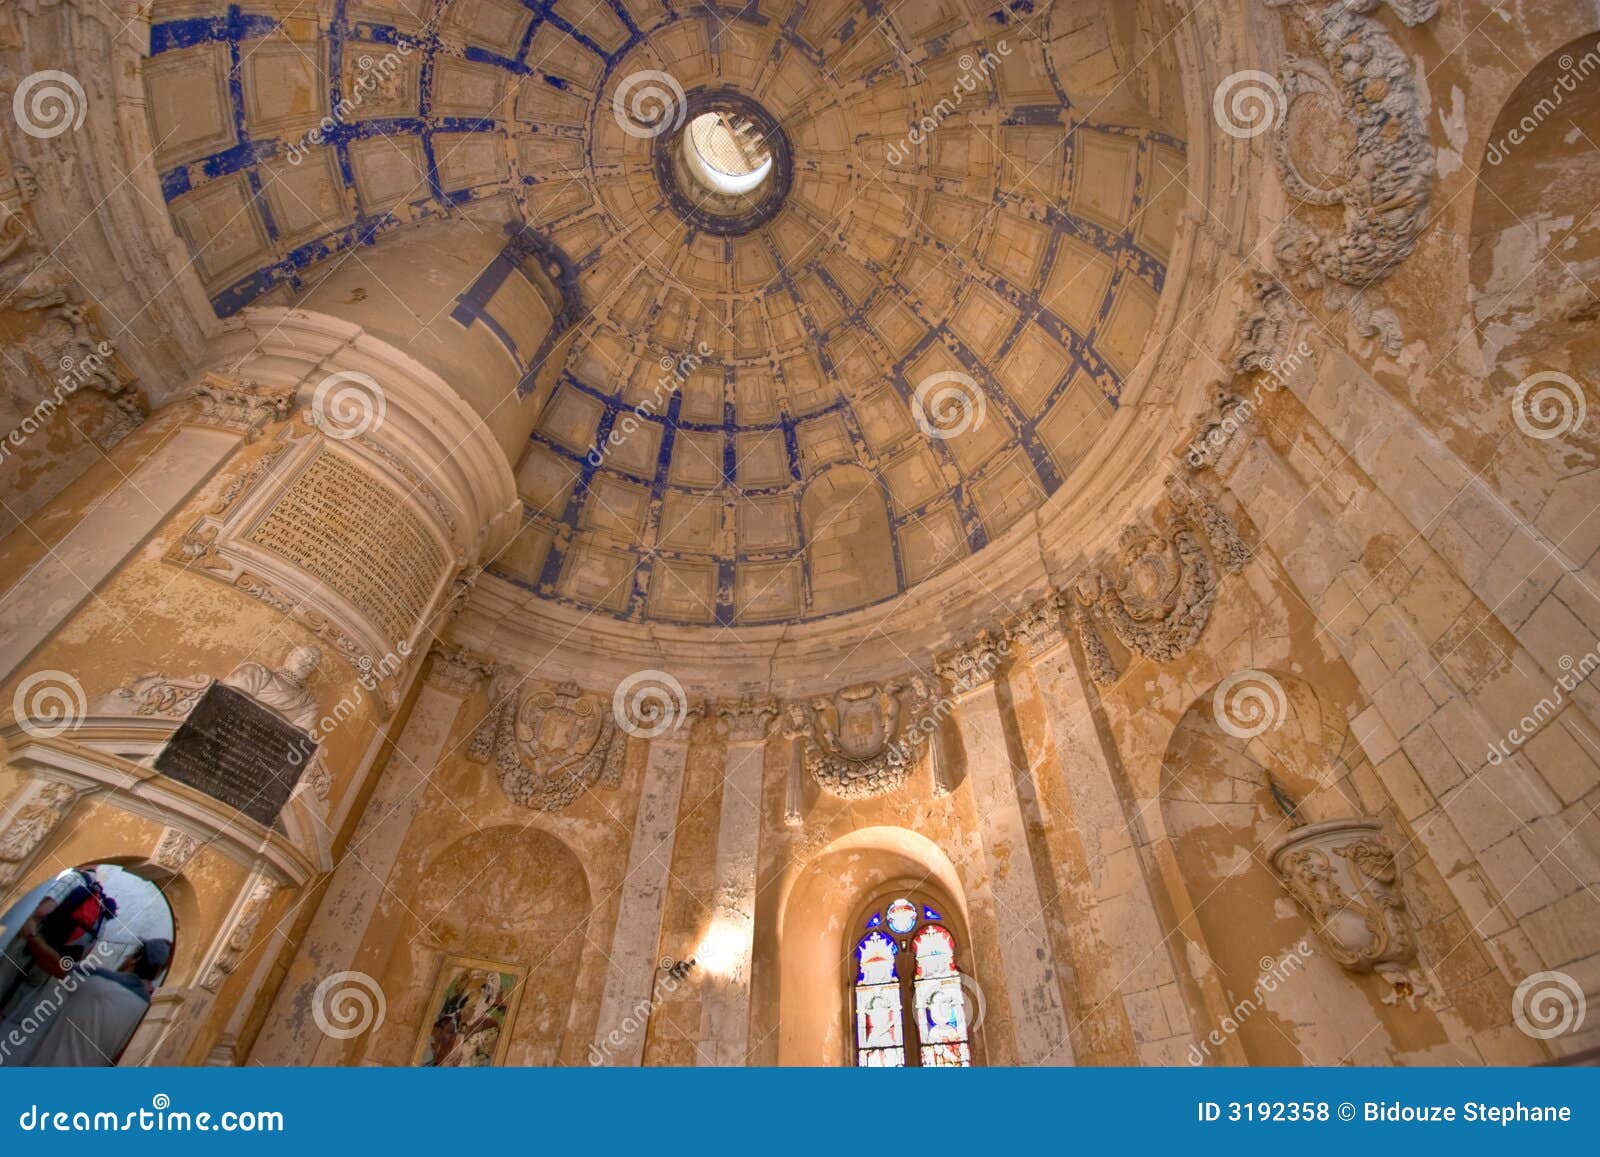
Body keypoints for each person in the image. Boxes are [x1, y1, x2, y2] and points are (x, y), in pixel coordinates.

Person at [15, 938, 171, 1066]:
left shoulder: (98, 979)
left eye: (129, 955)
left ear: (135, 959)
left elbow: (53, 963)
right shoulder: (146, 1010)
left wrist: (30, 935)